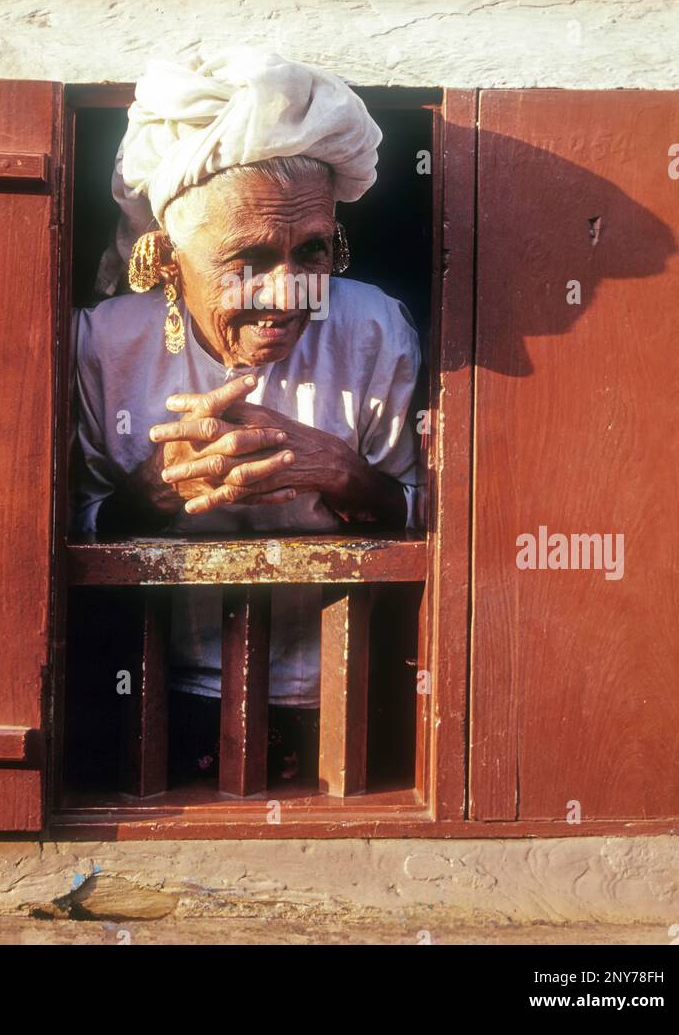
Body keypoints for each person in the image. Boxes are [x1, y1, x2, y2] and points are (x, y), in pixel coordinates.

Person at [72, 45, 422, 785]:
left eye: (314, 253)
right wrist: (148, 495)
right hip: (157, 699)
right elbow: (64, 526)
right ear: (165, 259)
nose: (289, 291)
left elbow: (436, 515)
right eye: (249, 260)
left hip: (351, 697)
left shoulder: (374, 329)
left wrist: (351, 477)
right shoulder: (106, 343)